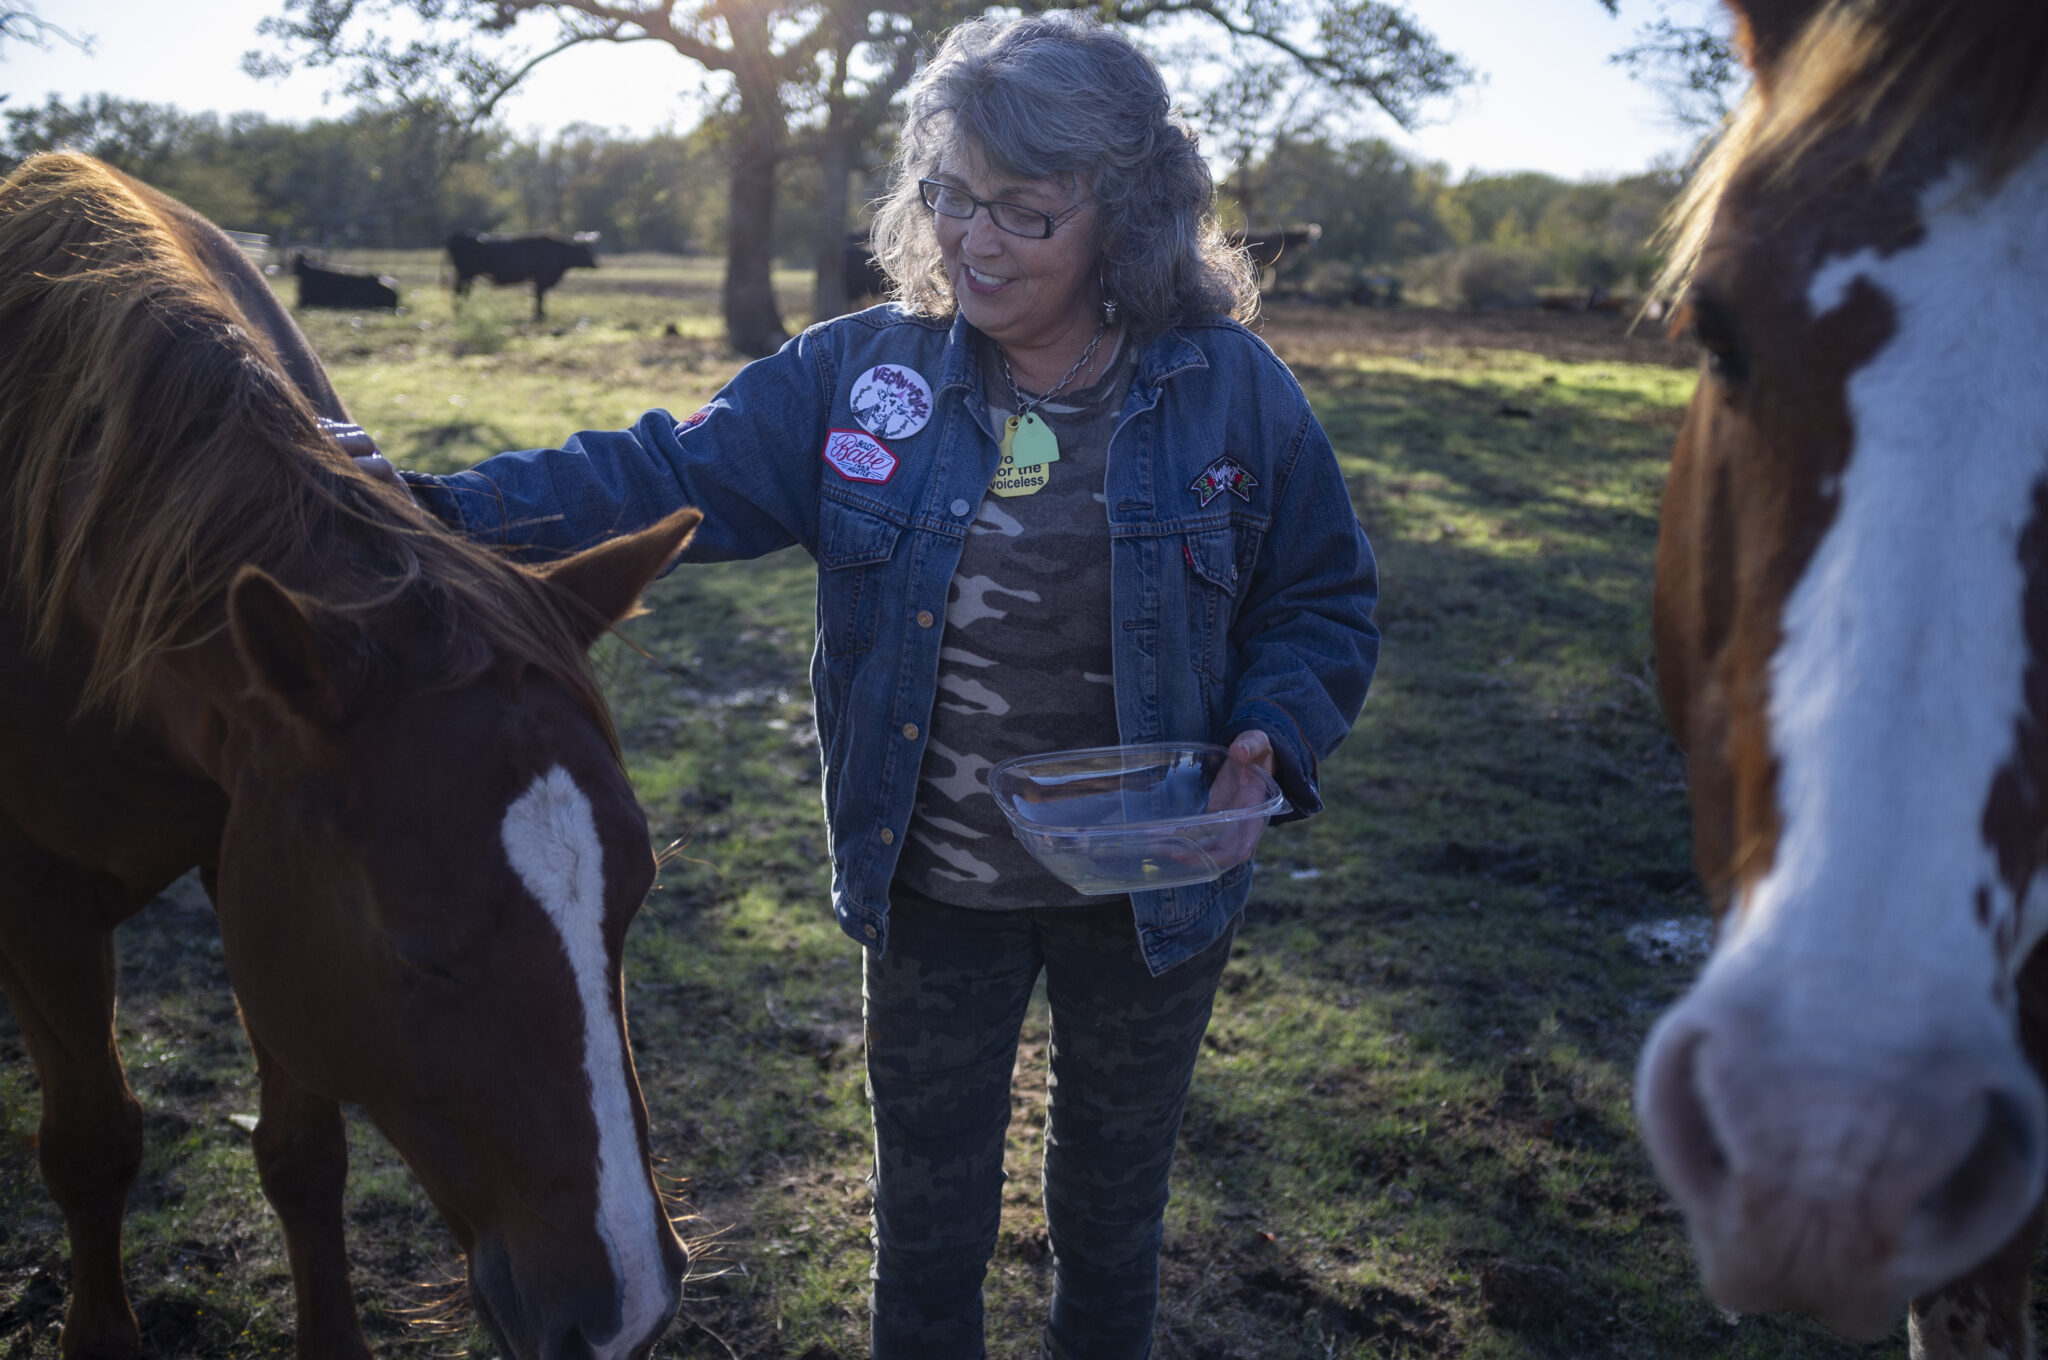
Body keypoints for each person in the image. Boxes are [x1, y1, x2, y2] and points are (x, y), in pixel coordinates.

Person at [384, 14, 1377, 1357]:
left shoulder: (1231, 392)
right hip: (932, 893)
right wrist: (429, 505)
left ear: (1128, 216)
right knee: (925, 1236)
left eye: (1023, 214)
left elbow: (1322, 597)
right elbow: (667, 472)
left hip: (1152, 897)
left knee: (1112, 1227)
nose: (973, 241)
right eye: (952, 198)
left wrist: (1270, 732)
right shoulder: (862, 376)